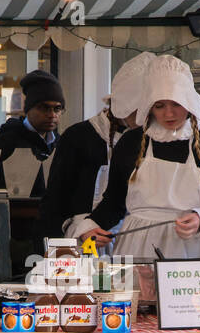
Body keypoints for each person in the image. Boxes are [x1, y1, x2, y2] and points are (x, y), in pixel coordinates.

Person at [72, 55, 200, 259]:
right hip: (137, 249)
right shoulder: (130, 141)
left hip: (195, 253)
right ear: (149, 105)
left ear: (188, 99)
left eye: (176, 104)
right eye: (159, 106)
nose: (169, 114)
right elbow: (114, 203)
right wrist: (91, 227)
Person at [39, 52, 154, 239]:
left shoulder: (153, 139)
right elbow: (55, 201)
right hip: (83, 240)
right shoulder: (79, 137)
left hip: (134, 238)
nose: (144, 118)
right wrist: (73, 234)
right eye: (138, 110)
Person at [0, 69, 65, 197]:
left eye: (57, 108)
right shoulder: (7, 143)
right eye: (44, 108)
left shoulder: (60, 145)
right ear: (28, 109)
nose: (52, 115)